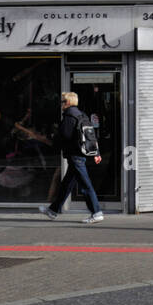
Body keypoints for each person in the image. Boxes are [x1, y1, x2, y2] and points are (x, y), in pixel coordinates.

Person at [39, 92, 104, 223]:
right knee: (66, 185)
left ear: (68, 103)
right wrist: (96, 153)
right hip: (81, 154)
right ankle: (53, 211)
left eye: (63, 101)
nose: (61, 104)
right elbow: (91, 136)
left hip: (75, 156)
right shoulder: (82, 115)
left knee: (85, 185)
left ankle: (96, 212)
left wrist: (52, 142)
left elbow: (65, 137)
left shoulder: (69, 116)